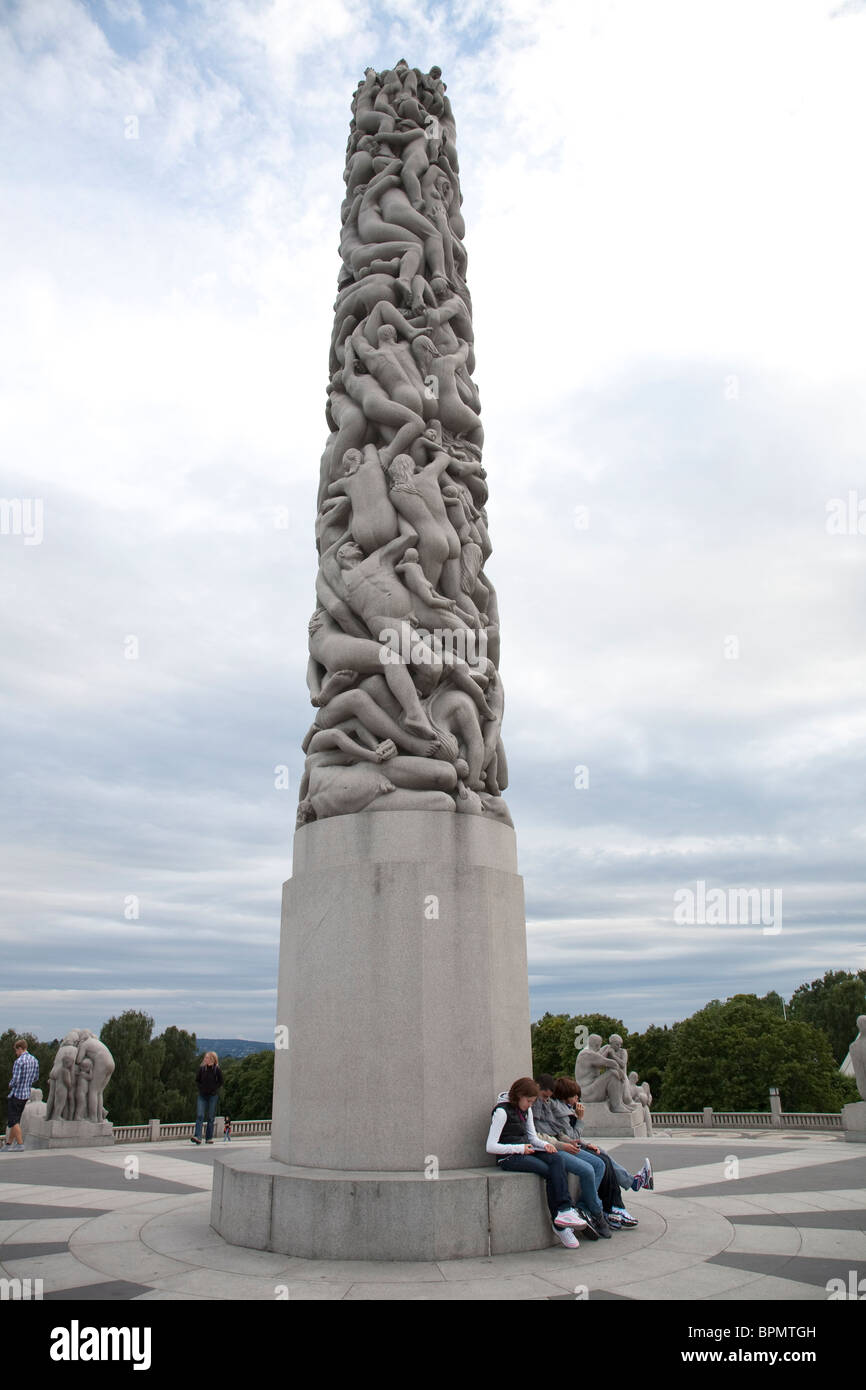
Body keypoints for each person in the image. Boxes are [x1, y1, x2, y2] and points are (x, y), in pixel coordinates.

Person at [486, 1077, 587, 1249]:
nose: (529, 1105)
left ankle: (565, 1210)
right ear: (518, 1096)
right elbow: (491, 1146)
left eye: (533, 1102)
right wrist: (519, 1149)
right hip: (509, 1157)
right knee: (547, 1171)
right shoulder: (502, 1112)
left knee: (556, 1159)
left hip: (527, 1148)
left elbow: (532, 1136)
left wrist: (546, 1145)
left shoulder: (527, 1110)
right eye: (528, 1101)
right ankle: (559, 1225)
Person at [552, 1076, 652, 1227]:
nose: (577, 1098)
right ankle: (612, 1203)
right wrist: (580, 1119)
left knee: (602, 1155)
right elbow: (572, 1137)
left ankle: (626, 1191)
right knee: (602, 1162)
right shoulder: (562, 1112)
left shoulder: (565, 1109)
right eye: (574, 1095)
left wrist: (587, 1143)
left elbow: (573, 1138)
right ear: (566, 1096)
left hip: (571, 1146)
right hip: (566, 1148)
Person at [531, 1076, 613, 1239]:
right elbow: (538, 1136)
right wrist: (565, 1144)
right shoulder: (533, 1107)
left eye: (549, 1096)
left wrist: (572, 1142)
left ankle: (584, 1208)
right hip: (551, 1148)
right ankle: (597, 1214)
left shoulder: (547, 1104)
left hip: (562, 1143)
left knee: (600, 1164)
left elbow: (558, 1131)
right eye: (545, 1096)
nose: (547, 1100)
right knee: (588, 1169)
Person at [3, 1039, 39, 1152]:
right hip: (26, 1094)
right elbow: (36, 1077)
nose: (16, 1053)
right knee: (16, 1120)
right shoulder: (34, 1060)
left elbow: (16, 1079)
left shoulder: (19, 1062)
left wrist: (10, 1084)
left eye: (16, 1051)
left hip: (17, 1094)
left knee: (13, 1120)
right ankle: (8, 1144)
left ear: (20, 1049)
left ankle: (20, 1144)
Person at [191, 1052, 223, 1145]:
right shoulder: (202, 1069)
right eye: (205, 1058)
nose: (205, 1059)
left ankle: (209, 1137)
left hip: (212, 1096)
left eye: (207, 1058)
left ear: (212, 1059)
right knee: (200, 1115)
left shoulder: (216, 1069)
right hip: (202, 1095)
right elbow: (197, 1080)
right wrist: (201, 1088)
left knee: (210, 1117)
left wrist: (214, 1088)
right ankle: (198, 1136)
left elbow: (221, 1081)